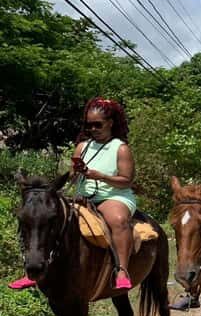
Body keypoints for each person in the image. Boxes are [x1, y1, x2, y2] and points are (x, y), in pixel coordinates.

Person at [10, 98, 138, 292]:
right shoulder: (82, 147)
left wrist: (100, 176)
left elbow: (127, 180)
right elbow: (73, 176)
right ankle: (33, 271)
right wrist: (76, 175)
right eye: (89, 125)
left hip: (113, 196)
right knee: (43, 219)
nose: (93, 129)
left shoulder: (120, 148)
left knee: (118, 220)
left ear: (110, 123)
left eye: (98, 124)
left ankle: (122, 271)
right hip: (83, 196)